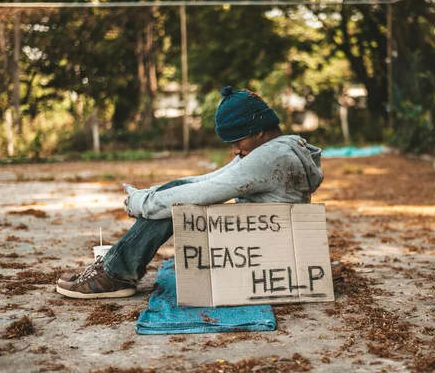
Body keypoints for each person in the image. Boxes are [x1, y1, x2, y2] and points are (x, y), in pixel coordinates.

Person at [56, 86, 324, 299]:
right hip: (262, 239)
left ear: (259, 132)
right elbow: (209, 178)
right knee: (174, 194)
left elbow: (203, 192)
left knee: (178, 203)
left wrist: (143, 203)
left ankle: (114, 273)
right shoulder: (277, 147)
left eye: (237, 141)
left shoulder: (267, 157)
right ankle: (115, 268)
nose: (235, 150)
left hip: (262, 253)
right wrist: (151, 193)